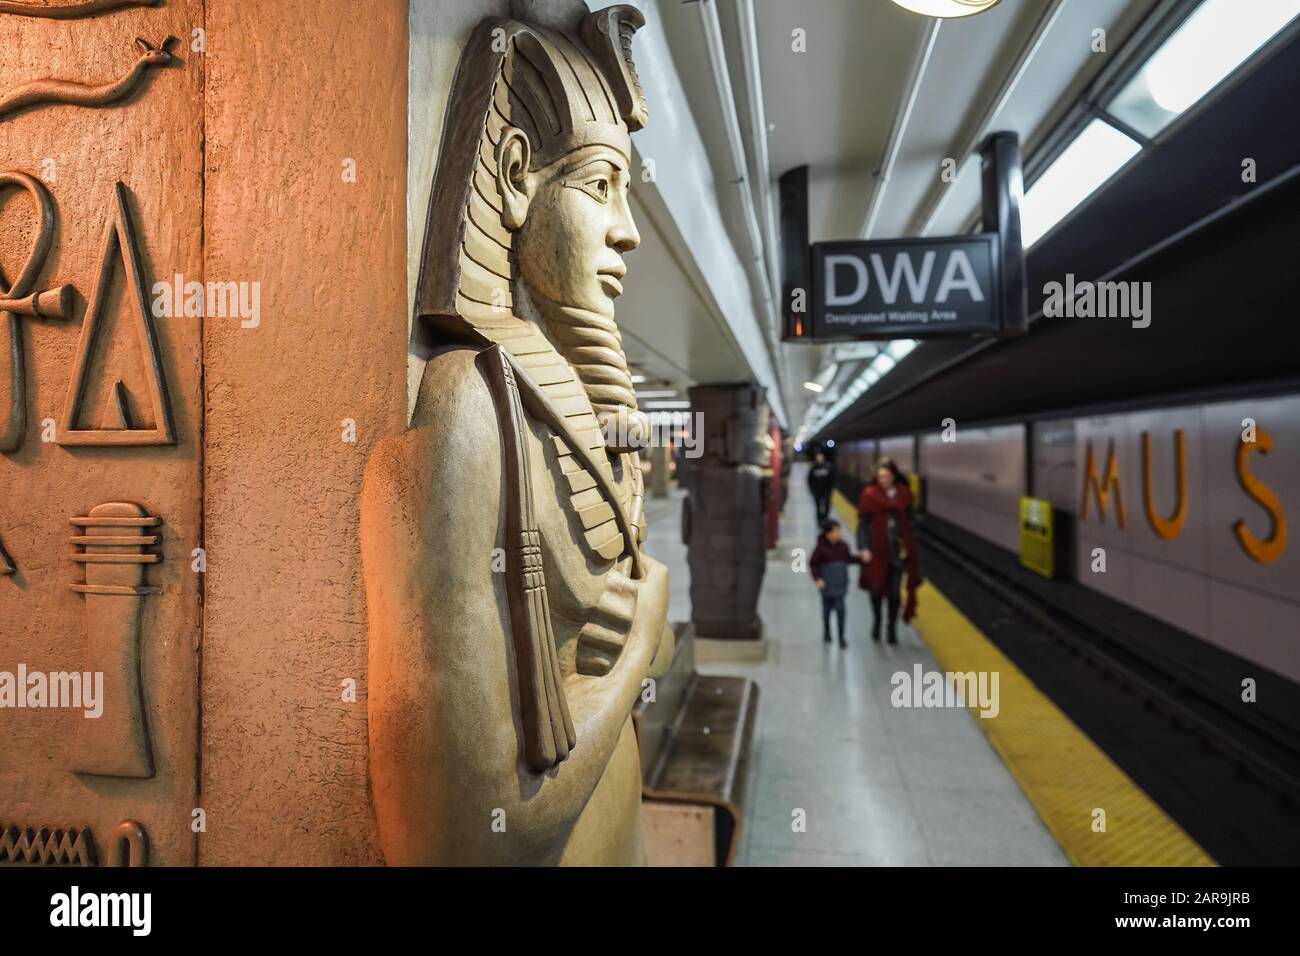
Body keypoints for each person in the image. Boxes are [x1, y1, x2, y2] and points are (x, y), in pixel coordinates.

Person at [857, 458, 920, 644]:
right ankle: (877, 621)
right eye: (880, 476)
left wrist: (909, 541)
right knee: (875, 589)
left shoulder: (904, 495)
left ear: (894, 477)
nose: (883, 480)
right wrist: (863, 548)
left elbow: (910, 521)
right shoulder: (869, 495)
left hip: (897, 553)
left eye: (886, 476)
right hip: (875, 552)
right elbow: (862, 525)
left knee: (894, 592)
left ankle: (891, 628)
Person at [810, 518, 862, 648]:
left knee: (841, 610)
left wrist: (861, 559)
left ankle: (841, 637)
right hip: (827, 586)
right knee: (826, 610)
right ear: (829, 534)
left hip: (840, 586)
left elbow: (848, 559)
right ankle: (827, 631)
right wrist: (818, 578)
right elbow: (813, 564)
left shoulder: (844, 546)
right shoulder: (820, 549)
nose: (840, 533)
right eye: (837, 531)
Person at [807, 450, 836, 524]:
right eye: (818, 457)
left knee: (827, 505)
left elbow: (833, 478)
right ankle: (819, 520)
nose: (819, 458)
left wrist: (831, 488)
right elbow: (810, 480)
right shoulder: (813, 468)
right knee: (818, 507)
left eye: (821, 456)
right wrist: (812, 490)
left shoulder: (829, 467)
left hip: (826, 491)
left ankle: (825, 518)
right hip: (817, 491)